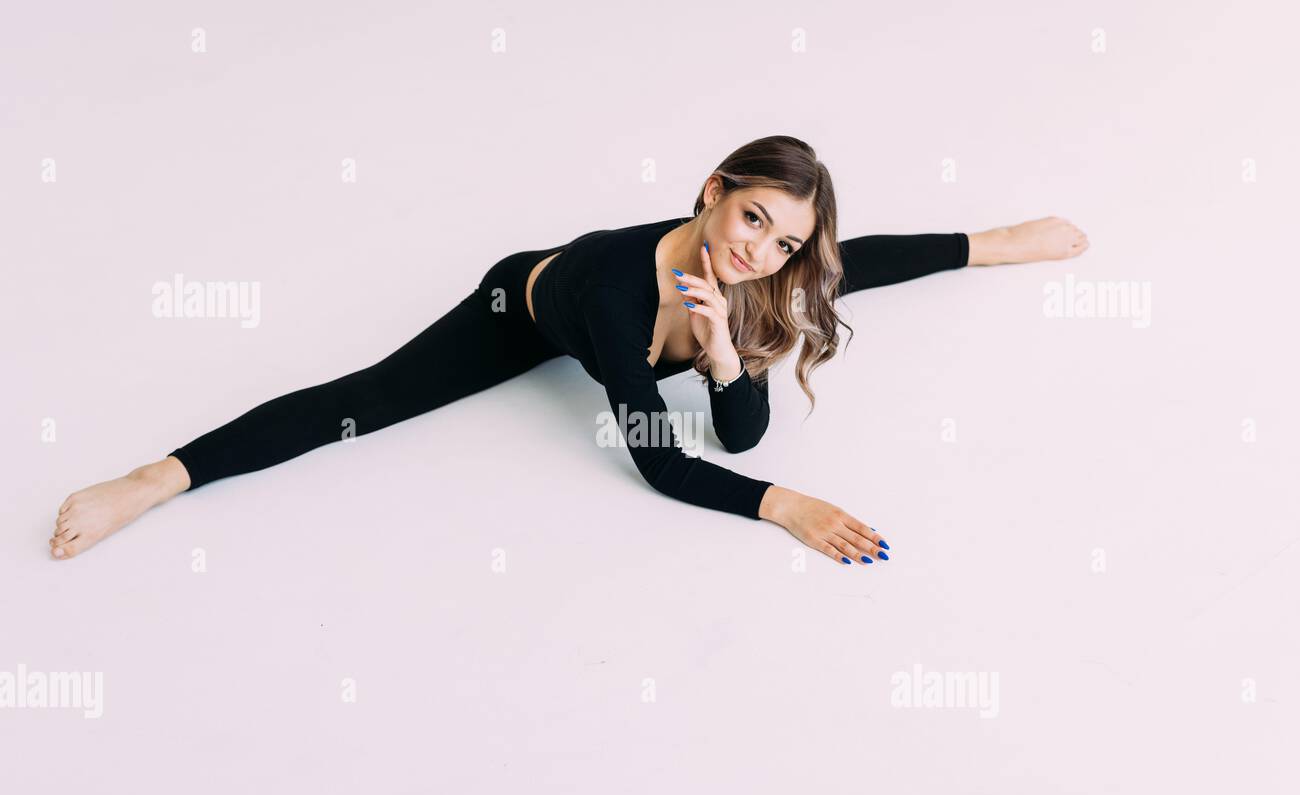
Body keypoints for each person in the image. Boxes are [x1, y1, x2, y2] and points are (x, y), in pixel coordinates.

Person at [47, 135, 1087, 564]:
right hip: (528, 304)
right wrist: (785, 505)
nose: (758, 250)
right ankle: (154, 476)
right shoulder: (604, 297)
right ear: (712, 189)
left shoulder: (759, 275)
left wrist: (728, 353)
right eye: (752, 217)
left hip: (654, 322)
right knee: (361, 403)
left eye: (782, 237)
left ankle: (992, 245)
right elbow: (667, 461)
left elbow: (757, 399)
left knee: (842, 276)